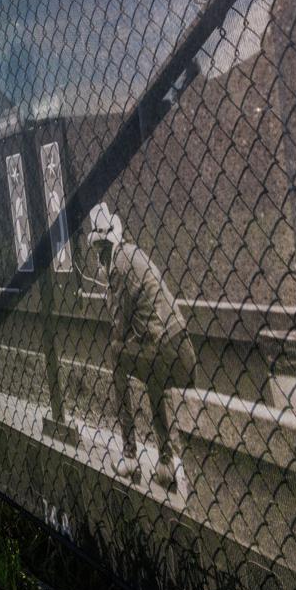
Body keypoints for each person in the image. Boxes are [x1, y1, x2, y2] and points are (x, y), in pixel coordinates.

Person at [86, 202, 197, 490]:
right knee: (149, 370)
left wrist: (108, 288)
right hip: (179, 349)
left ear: (103, 248)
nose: (98, 258)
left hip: (165, 350)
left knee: (116, 354)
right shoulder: (133, 255)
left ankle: (129, 455)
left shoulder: (119, 267)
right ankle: (166, 463)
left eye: (98, 251)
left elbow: (119, 330)